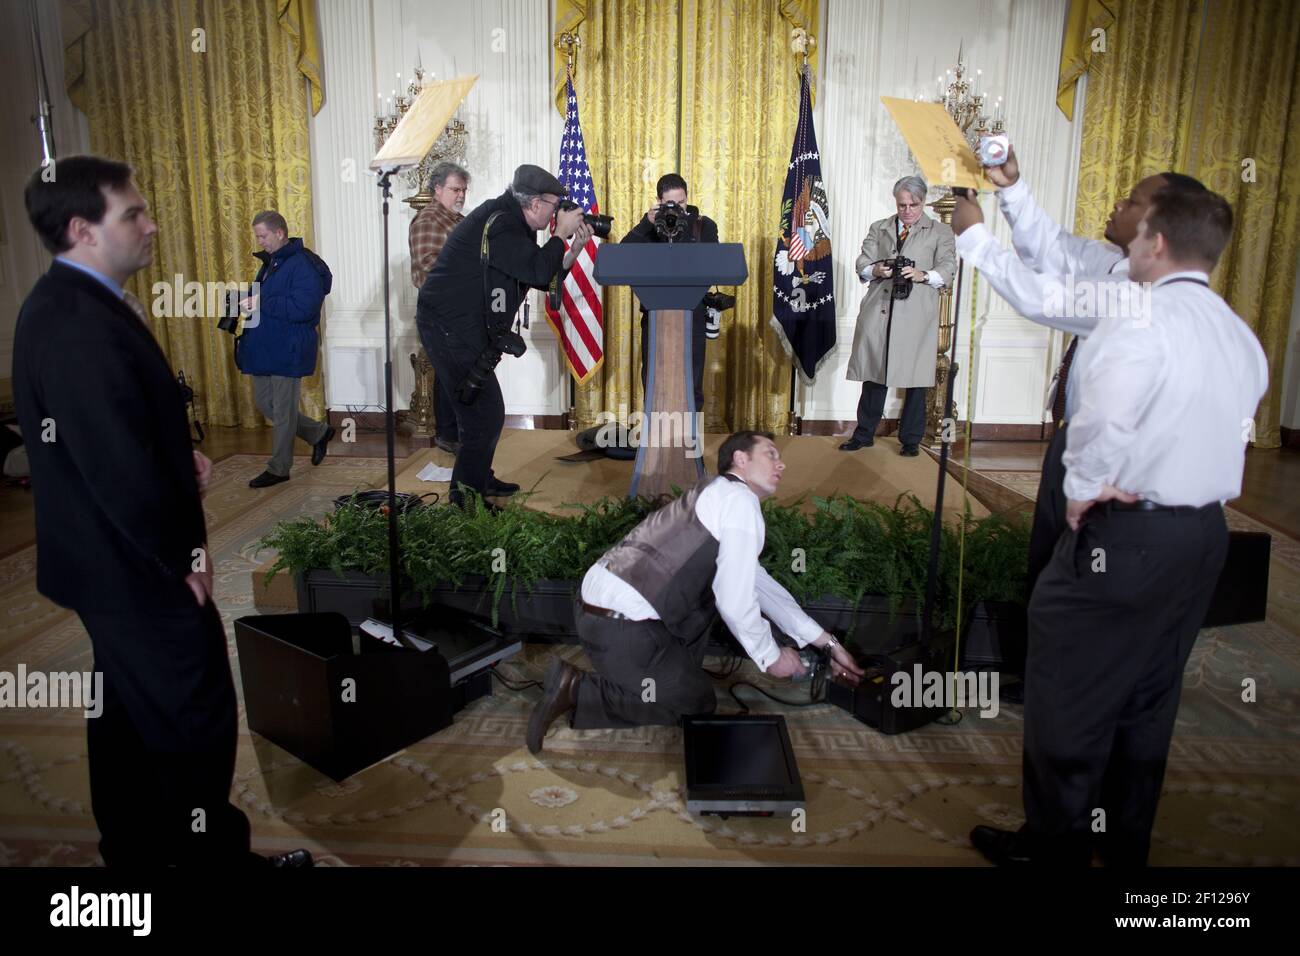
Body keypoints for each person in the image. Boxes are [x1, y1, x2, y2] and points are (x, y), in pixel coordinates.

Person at [14, 155, 310, 867]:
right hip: (132, 566)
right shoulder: (76, 320)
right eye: (133, 215)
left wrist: (179, 459)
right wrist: (182, 560)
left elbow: (117, 428)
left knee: (124, 711)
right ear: (83, 229)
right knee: (192, 716)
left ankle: (136, 850)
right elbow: (113, 468)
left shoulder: (77, 300)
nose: (151, 225)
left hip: (105, 562)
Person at [966, 187, 1267, 866]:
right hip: (1203, 539)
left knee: (1067, 695)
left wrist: (1077, 495)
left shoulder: (1137, 318)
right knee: (1149, 695)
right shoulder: (1236, 332)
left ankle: (1055, 850)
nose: (1124, 248)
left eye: (1135, 238)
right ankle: (1124, 842)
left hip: (1125, 538)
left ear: (1156, 243)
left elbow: (1102, 420)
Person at [951, 151, 1208, 693]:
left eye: (1132, 199)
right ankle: (1040, 670)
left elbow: (1044, 296)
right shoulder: (1113, 266)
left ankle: (1067, 681)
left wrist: (976, 240)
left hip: (1112, 469)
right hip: (1073, 444)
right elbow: (1054, 249)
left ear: (1155, 228)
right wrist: (1011, 189)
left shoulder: (1134, 294)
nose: (1117, 202)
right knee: (1048, 562)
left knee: (1078, 573)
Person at [525, 431, 865, 753]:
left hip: (596, 615)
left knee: (710, 597)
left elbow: (758, 585)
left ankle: (668, 673)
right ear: (740, 459)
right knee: (696, 703)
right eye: (770, 455)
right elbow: (735, 598)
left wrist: (826, 642)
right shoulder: (740, 502)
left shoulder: (716, 492)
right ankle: (577, 689)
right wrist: (770, 656)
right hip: (621, 630)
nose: (782, 464)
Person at [417, 164, 592, 507]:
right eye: (555, 207)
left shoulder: (512, 222)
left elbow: (536, 275)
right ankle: (465, 500)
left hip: (466, 327)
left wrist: (568, 253)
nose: (559, 214)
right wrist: (559, 238)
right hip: (448, 326)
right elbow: (538, 267)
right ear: (535, 204)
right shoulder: (502, 225)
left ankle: (479, 480)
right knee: (484, 413)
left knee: (482, 413)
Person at [841, 176, 955, 456]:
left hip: (916, 314)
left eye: (913, 205)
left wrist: (922, 274)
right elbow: (862, 263)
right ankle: (864, 433)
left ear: (923, 202)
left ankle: (911, 440)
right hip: (880, 311)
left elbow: (949, 268)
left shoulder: (940, 232)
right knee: (874, 374)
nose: (907, 210)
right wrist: (878, 270)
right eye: (902, 204)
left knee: (916, 378)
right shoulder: (879, 228)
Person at [237, 210, 334, 488]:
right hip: (266, 345)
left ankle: (279, 468)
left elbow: (304, 308)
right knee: (266, 403)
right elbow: (268, 299)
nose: (260, 241)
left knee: (282, 410)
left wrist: (261, 304)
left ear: (280, 233)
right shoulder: (272, 263)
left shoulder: (302, 264)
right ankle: (318, 432)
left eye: (263, 236)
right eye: (258, 236)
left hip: (289, 347)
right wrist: (246, 302)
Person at [621, 173, 719, 414]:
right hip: (655, 313)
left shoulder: (703, 225)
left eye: (682, 202)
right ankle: (654, 443)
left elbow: (713, 264)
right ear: (659, 202)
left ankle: (690, 444)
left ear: (687, 199)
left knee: (692, 379)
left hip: (692, 313)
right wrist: (647, 223)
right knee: (654, 378)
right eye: (669, 204)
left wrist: (682, 230)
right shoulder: (651, 227)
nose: (677, 209)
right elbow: (622, 256)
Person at [409, 161, 471, 455]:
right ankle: (448, 435)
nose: (460, 195)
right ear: (437, 189)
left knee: (458, 371)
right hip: (440, 310)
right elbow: (430, 266)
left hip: (458, 309)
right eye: (455, 189)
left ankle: (457, 433)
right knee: (449, 373)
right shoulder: (429, 219)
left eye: (463, 190)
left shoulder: (457, 220)